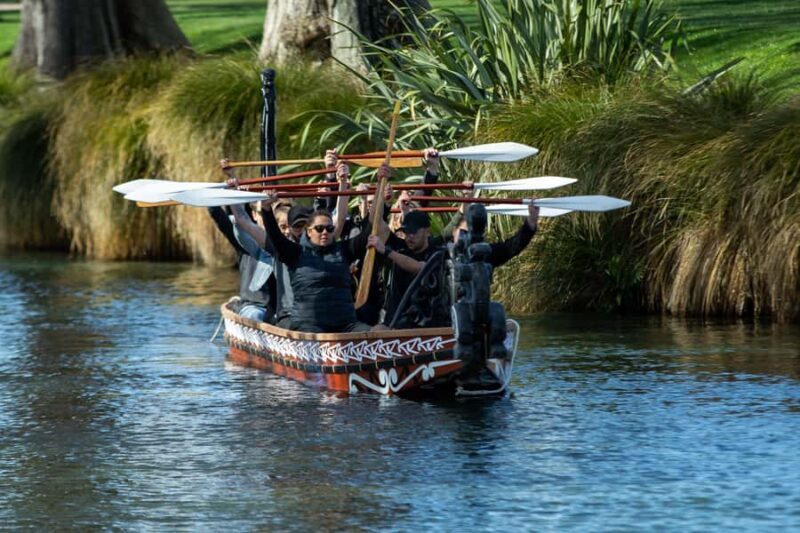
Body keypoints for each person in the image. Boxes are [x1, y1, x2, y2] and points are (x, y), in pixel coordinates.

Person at [259, 164, 382, 333]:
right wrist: (266, 209)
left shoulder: (344, 250)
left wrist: (380, 187)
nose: (325, 232)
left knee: (381, 329)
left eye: (329, 229)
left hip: (346, 325)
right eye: (319, 229)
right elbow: (274, 235)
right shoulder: (294, 253)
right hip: (308, 327)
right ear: (309, 232)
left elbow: (370, 227)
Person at [368, 209, 443, 327]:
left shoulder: (437, 253)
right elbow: (375, 221)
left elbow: (421, 268)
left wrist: (387, 251)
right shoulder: (401, 249)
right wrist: (385, 199)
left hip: (426, 322)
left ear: (428, 232)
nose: (409, 237)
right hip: (396, 321)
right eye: (407, 232)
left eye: (414, 232)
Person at [452, 203, 540, 267]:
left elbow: (511, 247)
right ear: (454, 231)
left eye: (470, 232)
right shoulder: (443, 254)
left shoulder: (483, 254)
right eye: (463, 231)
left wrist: (531, 220)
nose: (466, 237)